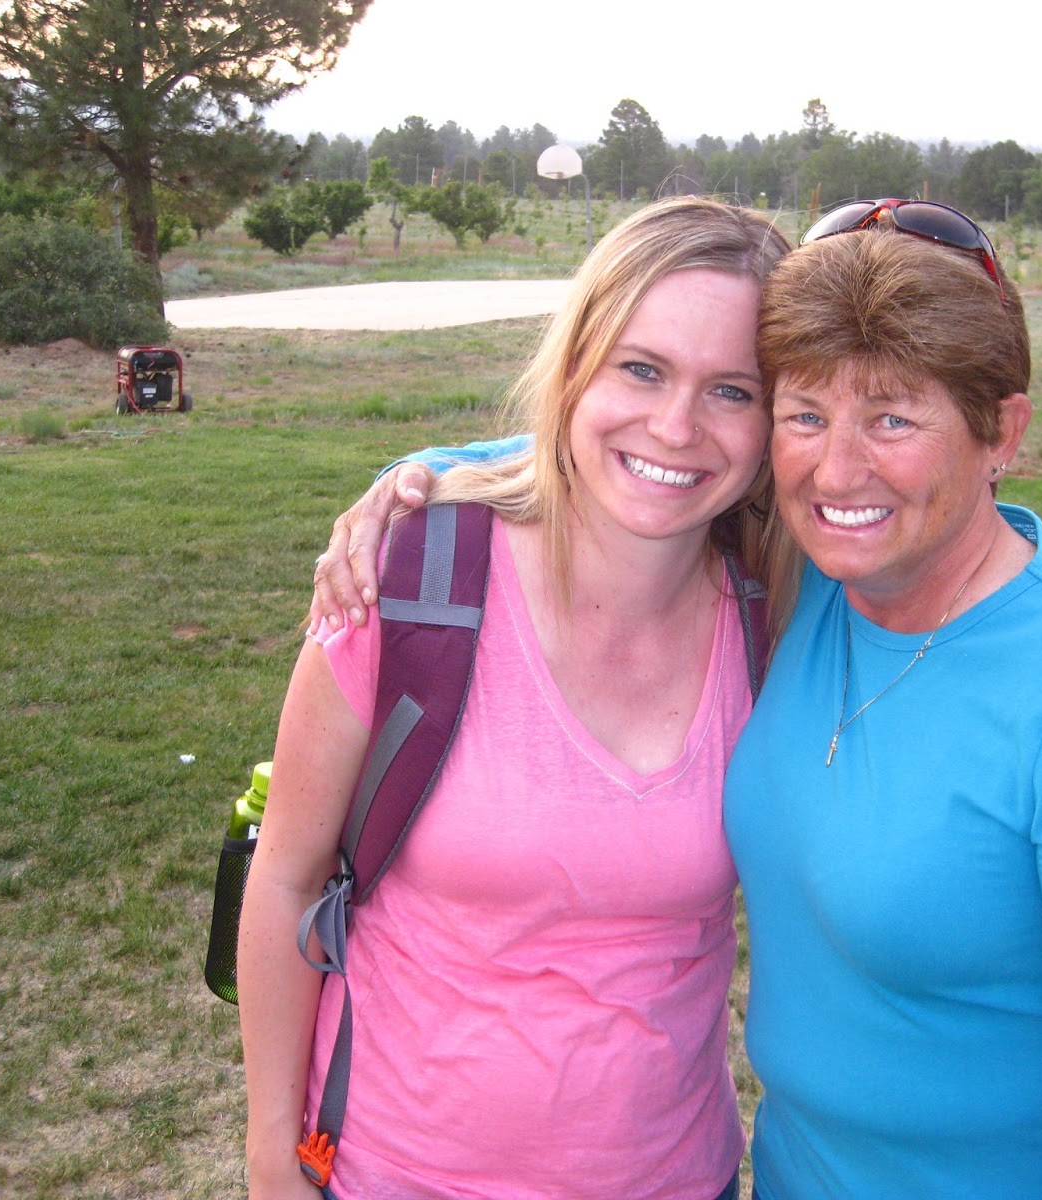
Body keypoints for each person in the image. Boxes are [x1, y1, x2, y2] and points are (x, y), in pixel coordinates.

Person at [312, 200, 1042, 1199]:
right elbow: (642, 456)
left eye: (893, 418)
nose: (837, 470)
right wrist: (421, 478)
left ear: (1000, 432)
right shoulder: (815, 585)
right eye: (805, 414)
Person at [239, 196, 792, 1200]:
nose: (676, 426)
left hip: (676, 1178)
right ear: (576, 366)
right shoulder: (408, 583)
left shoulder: (779, 617)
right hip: (390, 1176)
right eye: (641, 368)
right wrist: (273, 1157)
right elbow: (284, 877)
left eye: (732, 391)